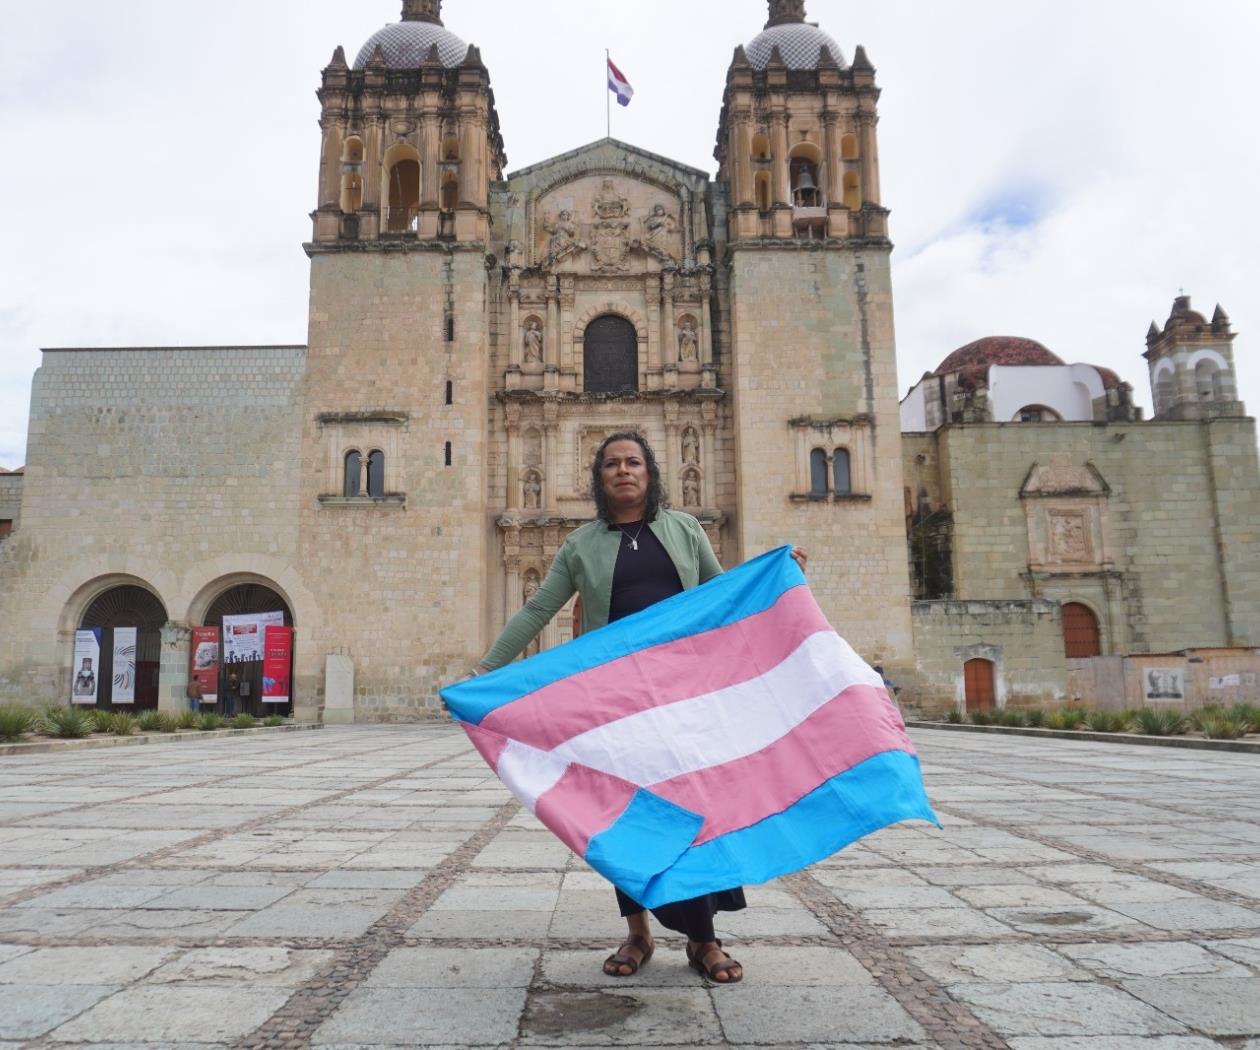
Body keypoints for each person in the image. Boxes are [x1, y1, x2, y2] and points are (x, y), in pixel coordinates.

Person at [470, 431, 807, 985]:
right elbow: (537, 610)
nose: (623, 471)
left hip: (684, 697)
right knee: (625, 818)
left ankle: (705, 940)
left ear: (650, 473)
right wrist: (485, 670)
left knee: (693, 813)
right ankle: (638, 933)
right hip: (619, 704)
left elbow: (724, 599)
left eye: (633, 462)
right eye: (611, 465)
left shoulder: (685, 529)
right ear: (599, 479)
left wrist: (776, 575)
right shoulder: (581, 545)